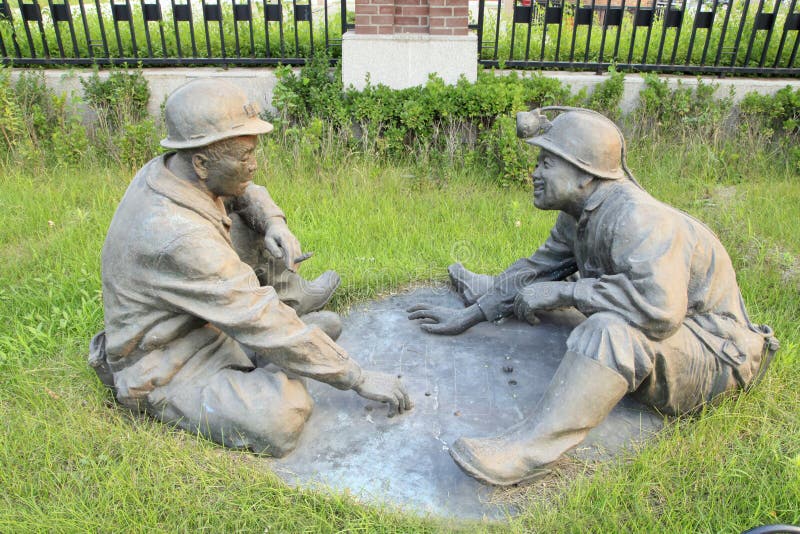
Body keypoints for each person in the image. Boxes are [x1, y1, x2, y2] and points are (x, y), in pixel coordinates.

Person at [408, 107, 777, 486]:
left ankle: (529, 451)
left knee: (608, 330)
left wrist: (565, 290)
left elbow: (661, 311)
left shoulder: (640, 219)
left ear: (585, 173)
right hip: (680, 344)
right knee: (554, 301)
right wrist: (474, 313)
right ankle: (490, 292)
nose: (534, 173)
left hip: (716, 364)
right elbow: (538, 269)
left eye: (547, 163)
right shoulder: (579, 214)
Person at [89, 79, 411, 457]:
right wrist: (356, 376)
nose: (254, 165)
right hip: (168, 365)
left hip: (203, 322)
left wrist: (274, 222)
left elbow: (247, 191)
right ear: (201, 162)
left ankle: (288, 337)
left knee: (246, 217)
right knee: (282, 418)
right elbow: (254, 313)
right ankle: (285, 351)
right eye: (244, 157)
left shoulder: (173, 170)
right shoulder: (177, 236)